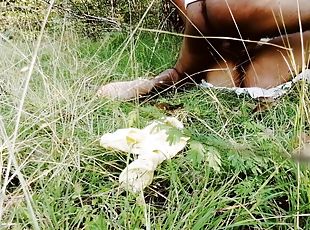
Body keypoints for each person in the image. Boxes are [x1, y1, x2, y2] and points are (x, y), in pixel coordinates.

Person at [97, 0, 310, 100]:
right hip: (238, 38)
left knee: (221, 8)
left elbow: (207, 12)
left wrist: (177, 75)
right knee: (231, 79)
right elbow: (199, 21)